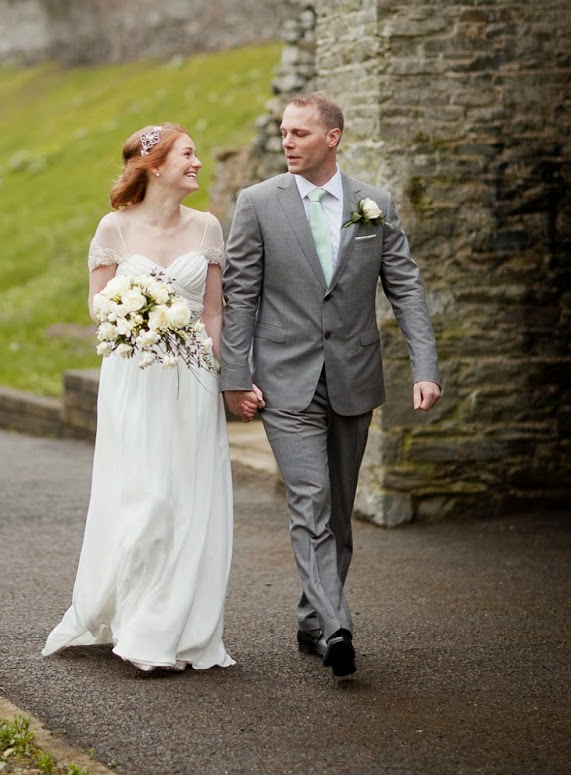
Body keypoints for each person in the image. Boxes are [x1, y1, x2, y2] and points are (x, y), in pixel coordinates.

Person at [220, 92, 440, 679]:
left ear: (332, 138)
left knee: (339, 511)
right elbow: (240, 293)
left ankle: (312, 621)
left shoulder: (375, 204)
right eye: (284, 134)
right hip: (283, 382)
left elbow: (406, 289)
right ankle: (338, 625)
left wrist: (425, 366)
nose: (287, 142)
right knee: (310, 499)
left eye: (299, 134)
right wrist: (234, 377)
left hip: (352, 376)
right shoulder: (257, 204)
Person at [44, 123, 235, 672]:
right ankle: (134, 618)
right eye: (187, 154)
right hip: (133, 377)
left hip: (192, 380)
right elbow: (97, 306)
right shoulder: (115, 227)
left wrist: (211, 369)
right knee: (146, 499)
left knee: (188, 502)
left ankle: (174, 628)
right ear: (154, 166)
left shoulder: (207, 227)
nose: (198, 162)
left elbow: (214, 310)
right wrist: (139, 314)